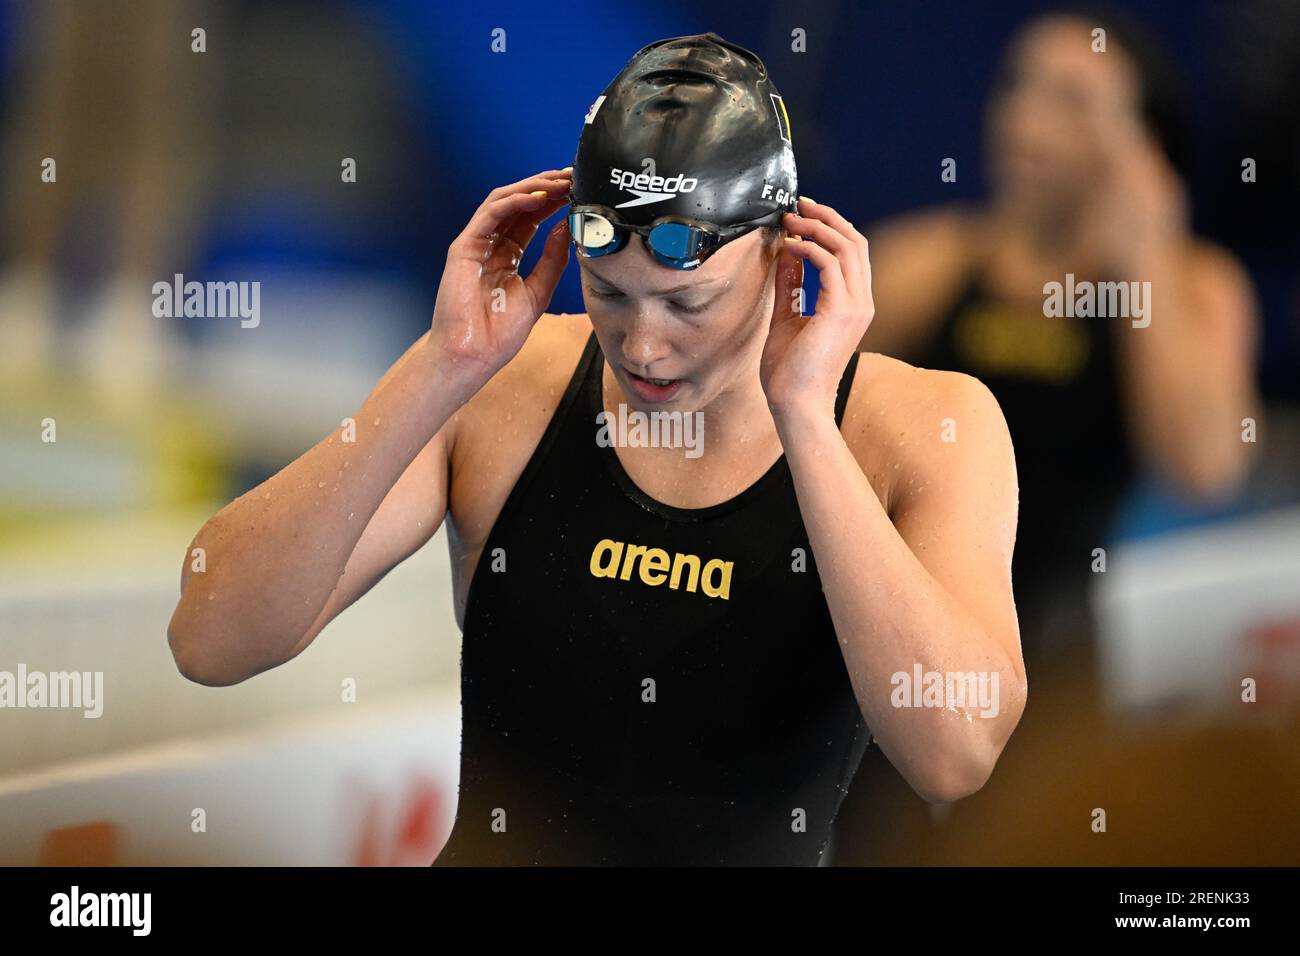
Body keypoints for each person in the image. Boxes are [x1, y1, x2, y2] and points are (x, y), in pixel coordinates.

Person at [167, 32, 1026, 866]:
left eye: (688, 305)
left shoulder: (919, 425)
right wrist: (442, 366)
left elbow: (955, 755)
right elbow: (211, 639)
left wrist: (804, 415)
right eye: (610, 293)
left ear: (781, 251)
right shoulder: (504, 387)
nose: (643, 346)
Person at [860, 7, 1261, 681]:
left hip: (1073, 654)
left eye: (1071, 99)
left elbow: (1205, 469)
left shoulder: (1194, 285)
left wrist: (1145, 252)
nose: (1025, 116)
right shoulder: (921, 265)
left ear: (1143, 146)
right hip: (912, 630)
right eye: (1020, 85)